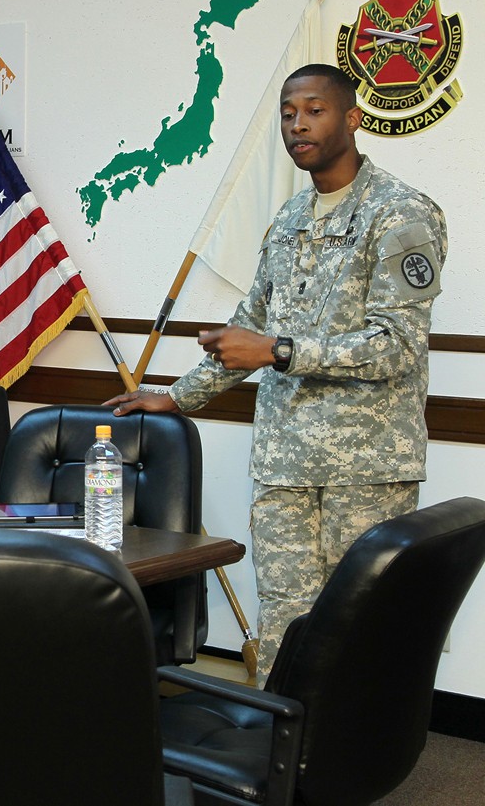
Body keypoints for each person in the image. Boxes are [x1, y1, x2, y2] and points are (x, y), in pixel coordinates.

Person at [105, 64, 448, 683]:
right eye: (289, 114)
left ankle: (354, 767)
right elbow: (251, 326)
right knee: (284, 621)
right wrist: (178, 398)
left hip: (364, 471)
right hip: (285, 467)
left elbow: (396, 346)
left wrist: (277, 352)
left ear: (353, 118)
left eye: (314, 110)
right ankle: (280, 764)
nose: (298, 125)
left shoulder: (402, 214)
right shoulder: (288, 219)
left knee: (365, 623)